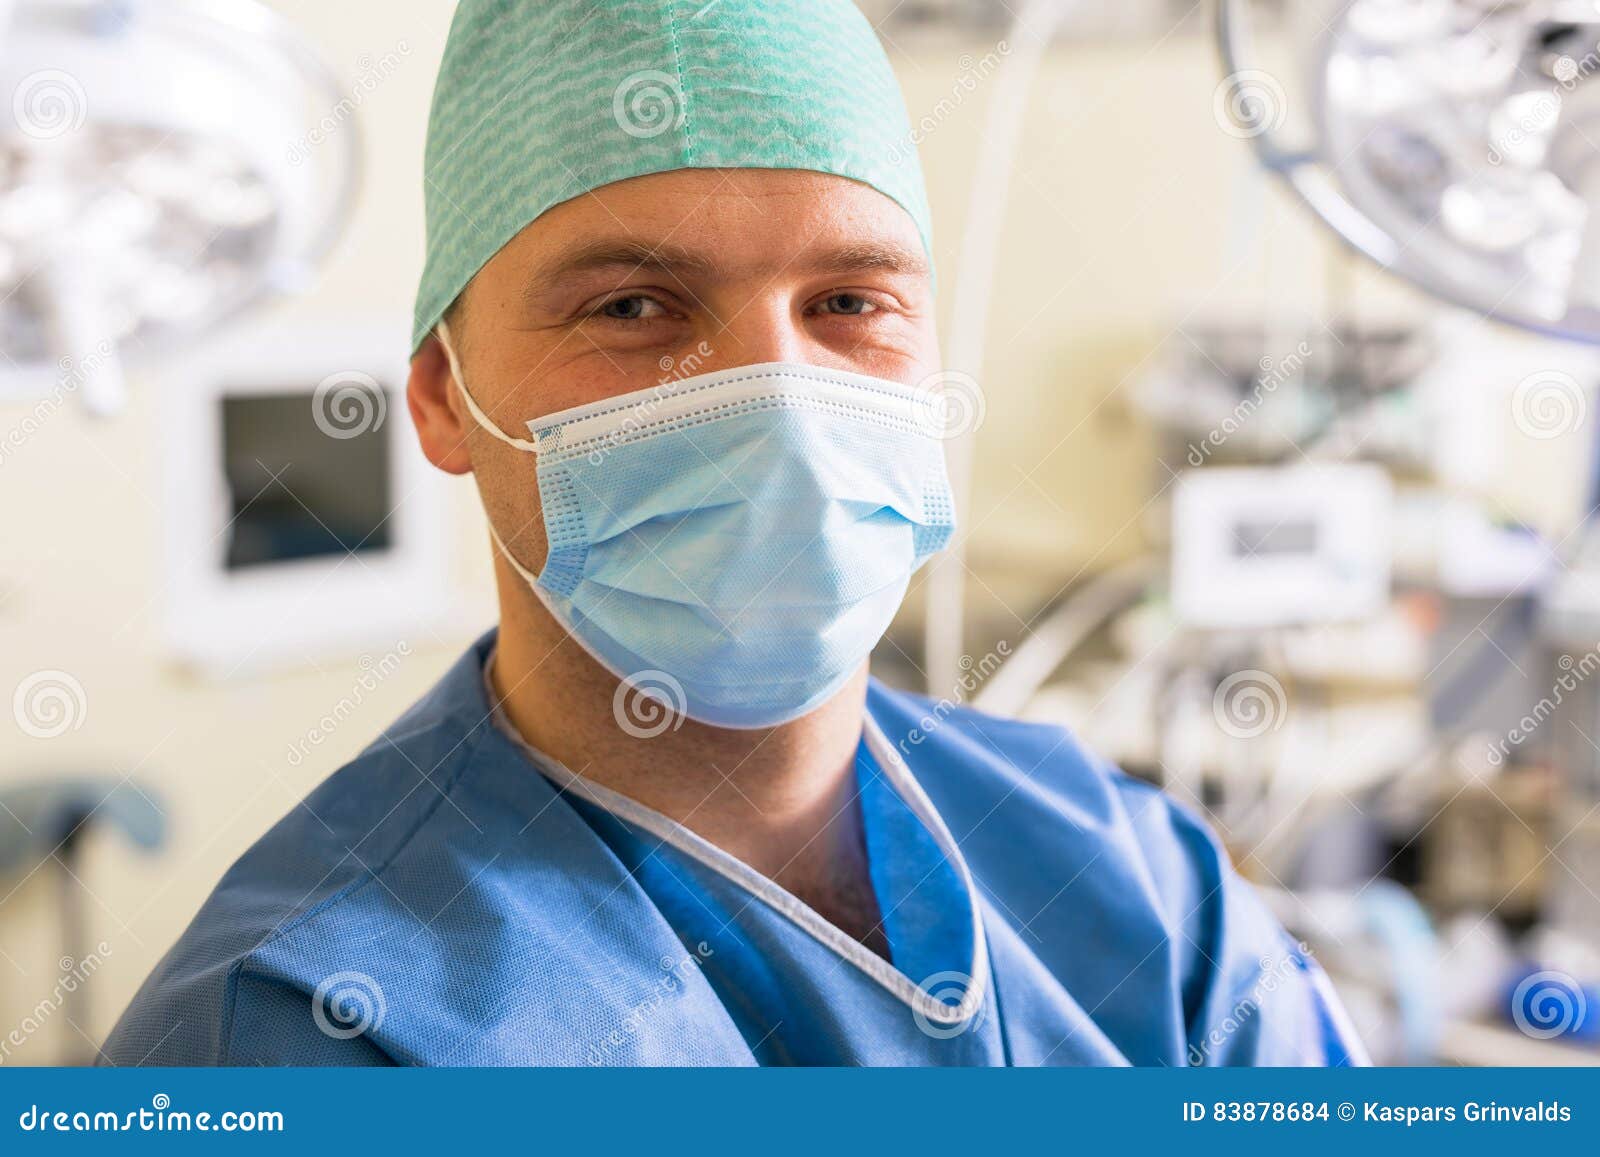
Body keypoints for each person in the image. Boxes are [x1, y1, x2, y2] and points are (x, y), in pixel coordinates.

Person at [102, 0, 1365, 1067]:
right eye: (634, 302)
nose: (776, 393)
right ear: (443, 396)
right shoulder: (305, 1026)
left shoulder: (1137, 880)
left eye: (848, 300)